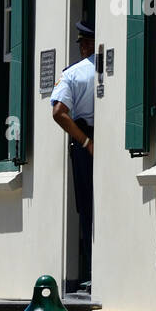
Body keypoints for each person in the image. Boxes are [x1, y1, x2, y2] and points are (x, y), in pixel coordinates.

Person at [51, 21, 95, 294]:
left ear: (86, 43)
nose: (80, 47)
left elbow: (59, 112)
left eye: (81, 43)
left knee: (87, 205)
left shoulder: (75, 73)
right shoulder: (111, 67)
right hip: (109, 137)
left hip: (85, 141)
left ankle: (91, 272)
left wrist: (86, 141)